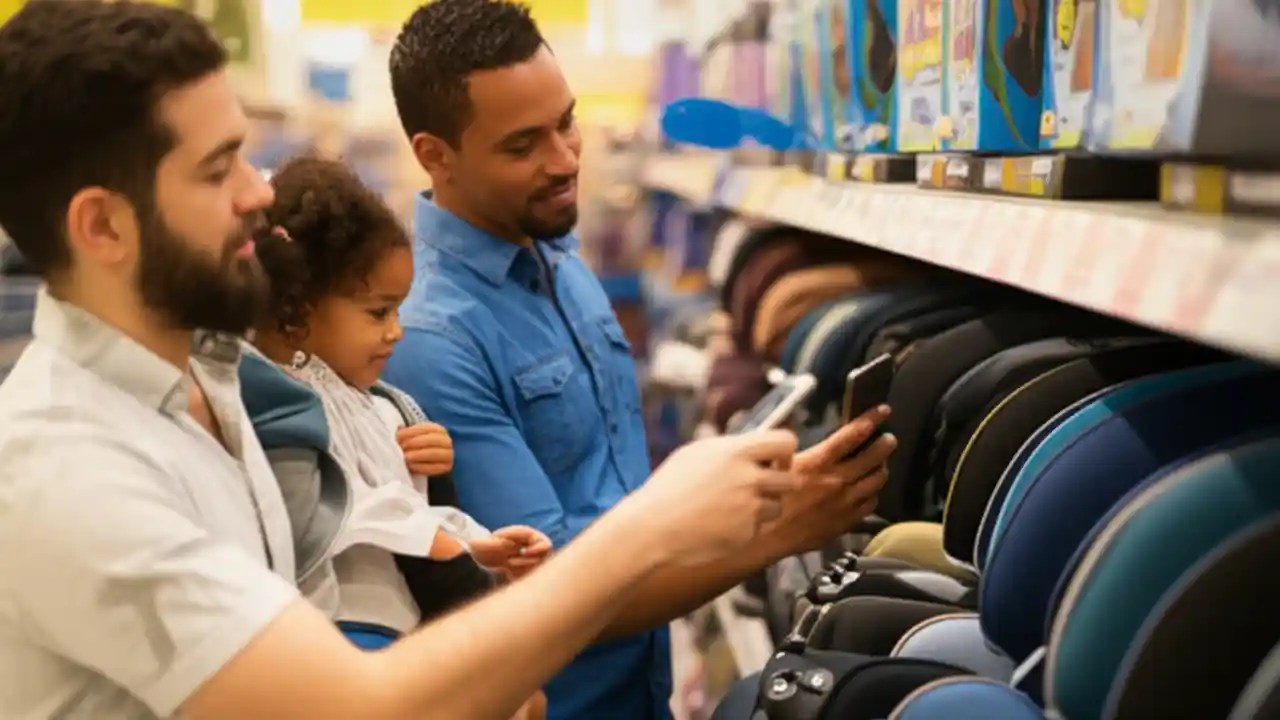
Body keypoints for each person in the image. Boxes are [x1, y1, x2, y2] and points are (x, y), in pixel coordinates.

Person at [0, 2, 889, 719]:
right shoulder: (64, 473)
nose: (260, 191)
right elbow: (356, 706)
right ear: (103, 226)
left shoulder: (219, 383)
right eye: (218, 168)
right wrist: (665, 524)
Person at [383, 1, 898, 717]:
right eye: (522, 145)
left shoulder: (559, 259)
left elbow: (610, 491)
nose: (564, 159)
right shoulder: (433, 340)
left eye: (566, 122)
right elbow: (553, 592)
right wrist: (771, 535)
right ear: (434, 153)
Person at [244, 155, 549, 718]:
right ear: (300, 306)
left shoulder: (379, 402)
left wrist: (472, 529)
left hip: (402, 629)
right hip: (340, 635)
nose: (395, 332)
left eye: (397, 310)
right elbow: (337, 507)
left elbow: (405, 499)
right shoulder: (283, 396)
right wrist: (454, 544)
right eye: (377, 312)